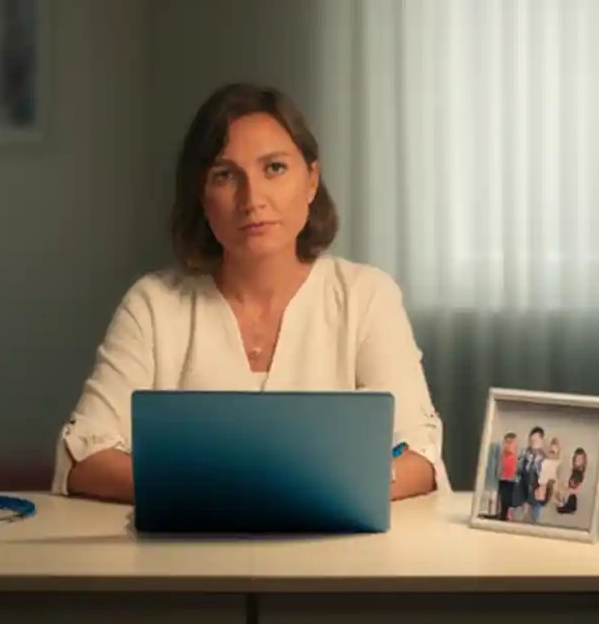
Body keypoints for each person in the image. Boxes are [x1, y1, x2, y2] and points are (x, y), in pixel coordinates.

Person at [51, 82, 449, 504]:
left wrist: (286, 494)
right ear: (202, 196)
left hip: (335, 559)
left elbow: (419, 457)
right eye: (225, 176)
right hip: (186, 563)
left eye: (274, 168)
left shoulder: (367, 296)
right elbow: (85, 456)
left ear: (311, 180)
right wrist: (228, 495)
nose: (252, 199)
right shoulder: (154, 305)